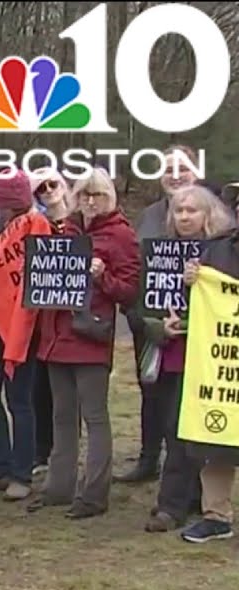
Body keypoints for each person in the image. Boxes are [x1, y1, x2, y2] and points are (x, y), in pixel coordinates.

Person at [28, 168, 140, 519]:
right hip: (56, 337)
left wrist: (102, 276)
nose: (91, 202)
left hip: (90, 336)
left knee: (94, 416)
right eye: (85, 195)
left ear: (110, 198)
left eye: (98, 195)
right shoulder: (66, 231)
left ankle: (94, 493)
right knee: (62, 417)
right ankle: (59, 487)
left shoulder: (121, 235)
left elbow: (130, 291)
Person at [141, 185, 233, 533]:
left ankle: (186, 502)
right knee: (176, 426)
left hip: (214, 357)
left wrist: (193, 312)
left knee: (201, 430)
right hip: (175, 354)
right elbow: (141, 302)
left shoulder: (223, 252)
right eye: (178, 210)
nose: (183, 217)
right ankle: (177, 502)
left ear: (209, 214)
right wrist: (158, 326)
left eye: (192, 210)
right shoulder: (160, 252)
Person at [120, 145, 204, 484]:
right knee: (151, 392)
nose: (176, 175)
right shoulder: (149, 216)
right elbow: (137, 268)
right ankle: (148, 459)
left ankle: (189, 472)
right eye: (168, 169)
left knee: (185, 402)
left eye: (183, 168)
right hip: (150, 322)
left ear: (196, 172)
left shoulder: (215, 213)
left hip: (196, 326)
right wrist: (144, 319)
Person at [0, 170, 55, 501]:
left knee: (19, 400)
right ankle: (0, 464)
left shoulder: (37, 225)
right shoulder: (7, 231)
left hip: (24, 325)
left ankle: (21, 473)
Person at [177, 224, 239, 542]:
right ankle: (216, 515)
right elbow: (200, 305)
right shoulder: (217, 249)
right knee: (217, 441)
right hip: (223, 362)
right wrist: (192, 283)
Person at [29, 169, 74, 476]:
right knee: (39, 388)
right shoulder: (35, 225)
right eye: (40, 189)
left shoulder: (79, 222)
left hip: (72, 320)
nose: (48, 190)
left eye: (52, 184)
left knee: (68, 394)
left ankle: (65, 451)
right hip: (40, 319)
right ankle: (41, 451)